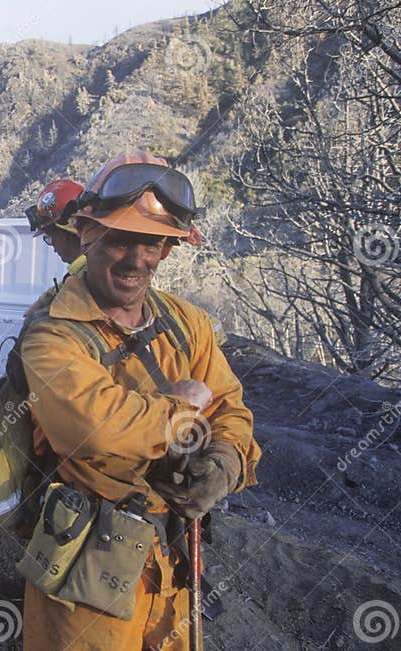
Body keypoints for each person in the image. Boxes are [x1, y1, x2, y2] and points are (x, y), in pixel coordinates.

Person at [19, 151, 261, 650]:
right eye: (121, 239)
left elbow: (231, 407)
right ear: (88, 235)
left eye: (152, 242)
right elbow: (97, 425)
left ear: (168, 249)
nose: (137, 258)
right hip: (88, 568)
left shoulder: (186, 322)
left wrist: (226, 460)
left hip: (172, 562)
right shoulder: (51, 337)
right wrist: (180, 409)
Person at [24, 178, 87, 316]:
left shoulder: (86, 280)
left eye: (50, 237)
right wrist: (44, 299)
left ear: (68, 231)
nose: (53, 247)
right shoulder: (84, 270)